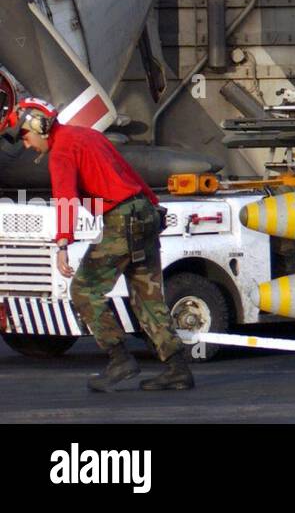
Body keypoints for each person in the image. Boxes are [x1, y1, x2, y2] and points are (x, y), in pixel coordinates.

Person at [2, 98, 193, 391]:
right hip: (144, 213)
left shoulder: (62, 151)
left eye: (25, 138)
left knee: (84, 289)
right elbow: (130, 175)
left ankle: (120, 359)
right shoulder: (88, 135)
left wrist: (63, 242)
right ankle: (178, 368)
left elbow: (66, 198)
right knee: (147, 295)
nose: (26, 146)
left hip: (121, 219)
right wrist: (154, 207)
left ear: (38, 126)